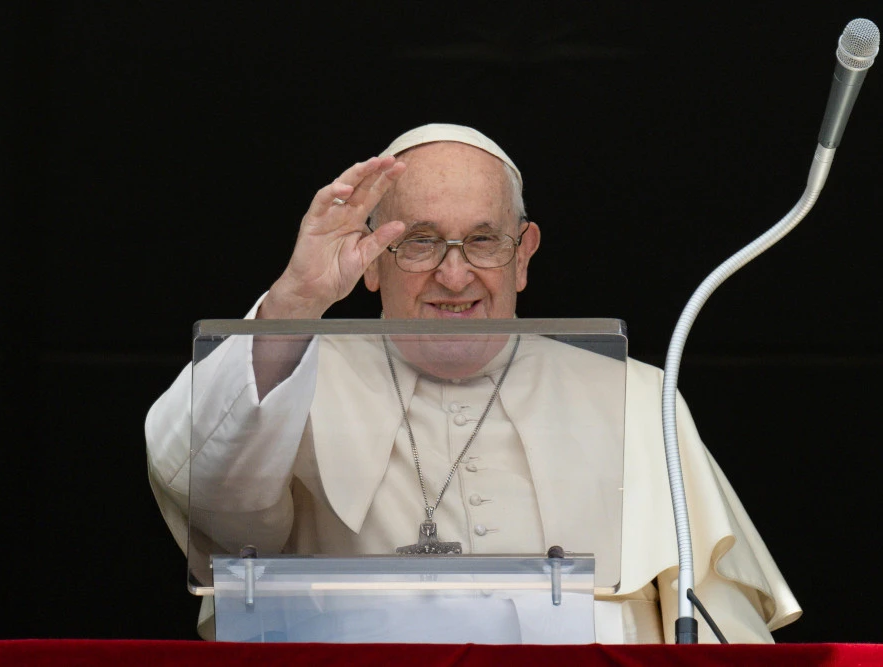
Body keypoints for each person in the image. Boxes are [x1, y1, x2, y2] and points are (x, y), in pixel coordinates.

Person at [146, 123, 801, 643]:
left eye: (483, 241)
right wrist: (296, 301)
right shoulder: (287, 371)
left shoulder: (634, 396)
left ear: (524, 255)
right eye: (421, 241)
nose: (454, 277)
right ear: (372, 259)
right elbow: (209, 500)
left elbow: (715, 623)